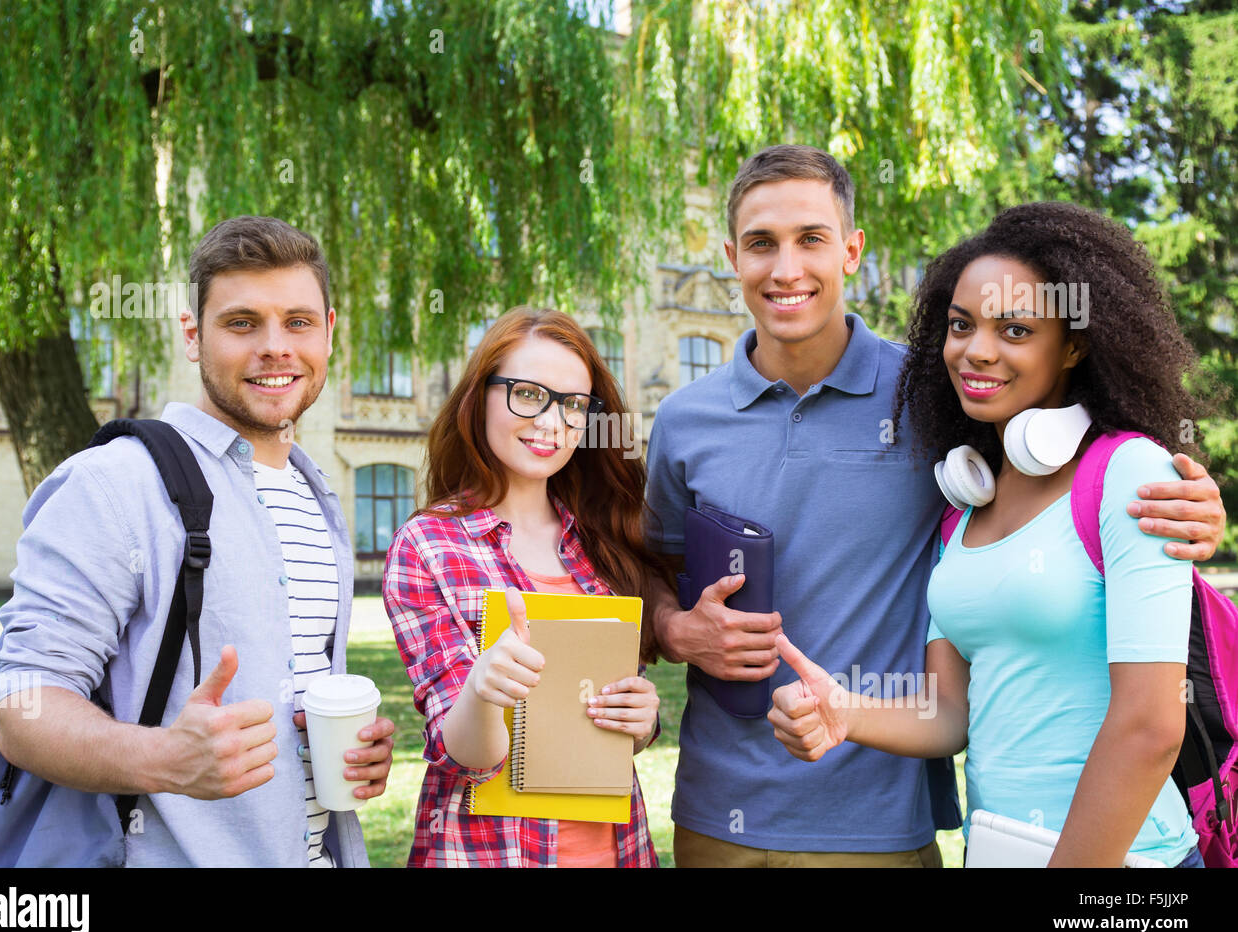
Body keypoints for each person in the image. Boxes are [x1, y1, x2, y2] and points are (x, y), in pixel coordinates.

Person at [644, 145, 1228, 866]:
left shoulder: (956, 409)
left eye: (1015, 329)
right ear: (733, 256)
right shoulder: (962, 496)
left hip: (992, 845)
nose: (786, 268)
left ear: (853, 250)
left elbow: (1149, 723)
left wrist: (1195, 503)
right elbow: (638, 567)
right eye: (763, 243)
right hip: (765, 821)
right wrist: (676, 628)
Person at [0, 215, 394, 867]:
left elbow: (295, 690)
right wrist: (163, 758)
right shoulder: (116, 482)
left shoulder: (319, 496)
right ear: (191, 335)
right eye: (241, 323)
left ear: (330, 332)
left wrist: (350, 750)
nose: (274, 347)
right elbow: (21, 707)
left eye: (298, 321)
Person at [383, 306, 668, 867]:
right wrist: (483, 690)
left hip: (617, 850)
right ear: (480, 396)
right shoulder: (428, 547)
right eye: (529, 394)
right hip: (490, 853)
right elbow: (465, 756)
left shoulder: (601, 539)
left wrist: (641, 721)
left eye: (573, 405)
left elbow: (609, 721)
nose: (552, 422)